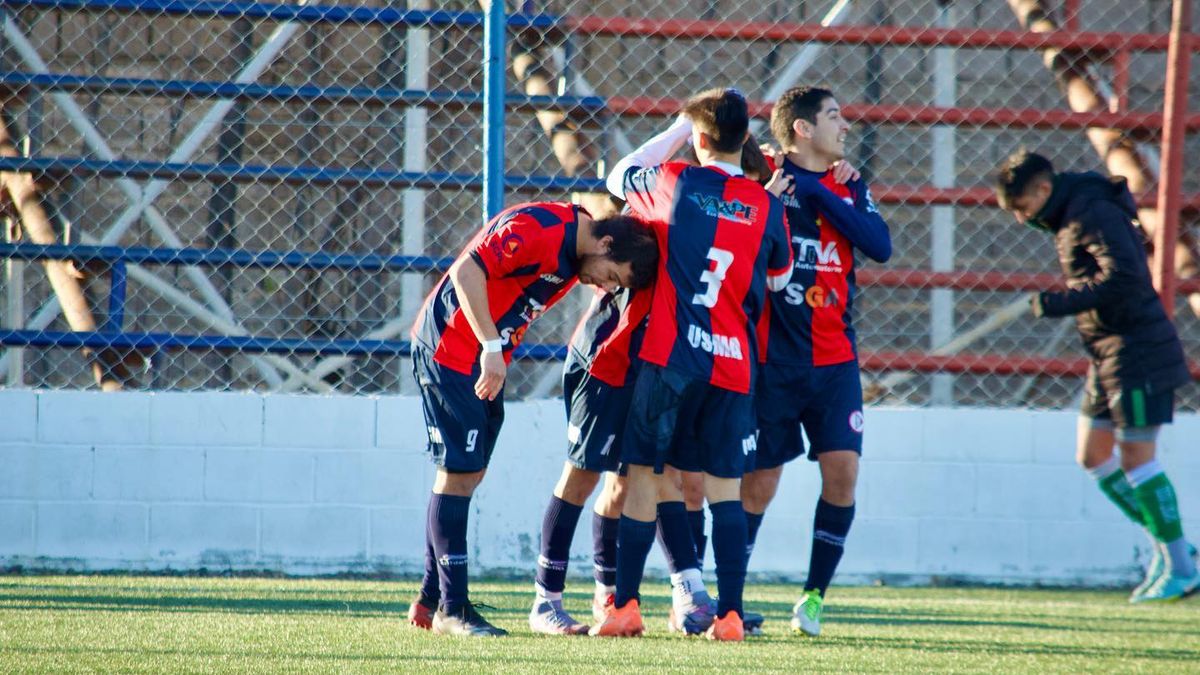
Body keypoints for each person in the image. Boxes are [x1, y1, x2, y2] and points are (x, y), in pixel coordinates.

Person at [528, 138, 775, 637]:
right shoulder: (664, 208)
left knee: (661, 479)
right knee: (587, 478)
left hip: (662, 367)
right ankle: (549, 598)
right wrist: (684, 126)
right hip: (607, 362)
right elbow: (629, 171)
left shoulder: (718, 219)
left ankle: (683, 593)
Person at [589, 87, 793, 642]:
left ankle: (625, 607)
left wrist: (679, 126)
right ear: (745, 138)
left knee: (645, 477)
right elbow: (779, 280)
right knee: (724, 490)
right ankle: (730, 617)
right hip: (732, 364)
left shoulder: (674, 182)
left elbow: (620, 175)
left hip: (672, 356)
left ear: (699, 138)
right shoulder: (767, 206)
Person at [406, 201, 657, 637]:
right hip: (451, 348)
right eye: (612, 276)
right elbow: (466, 272)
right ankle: (453, 609)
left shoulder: (579, 246)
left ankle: (431, 598)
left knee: (469, 472)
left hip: (481, 357)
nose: (604, 286)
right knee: (457, 474)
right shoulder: (540, 229)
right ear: (605, 244)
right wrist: (490, 345)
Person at [995, 149, 1198, 602]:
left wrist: (1059, 302)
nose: (1022, 219)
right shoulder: (1070, 214)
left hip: (1137, 349)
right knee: (1092, 454)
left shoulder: (1092, 212)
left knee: (1138, 459)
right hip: (1105, 352)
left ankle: (1182, 568)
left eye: (1023, 208)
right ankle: (1175, 548)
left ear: (1043, 188)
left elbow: (1125, 278)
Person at [743, 86, 892, 638]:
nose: (845, 126)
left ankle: (813, 597)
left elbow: (879, 245)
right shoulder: (763, 179)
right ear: (802, 129)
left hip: (835, 361)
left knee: (844, 473)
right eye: (834, 116)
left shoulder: (848, 185)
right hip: (773, 361)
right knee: (760, 482)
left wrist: (820, 192)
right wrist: (780, 190)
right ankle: (730, 595)